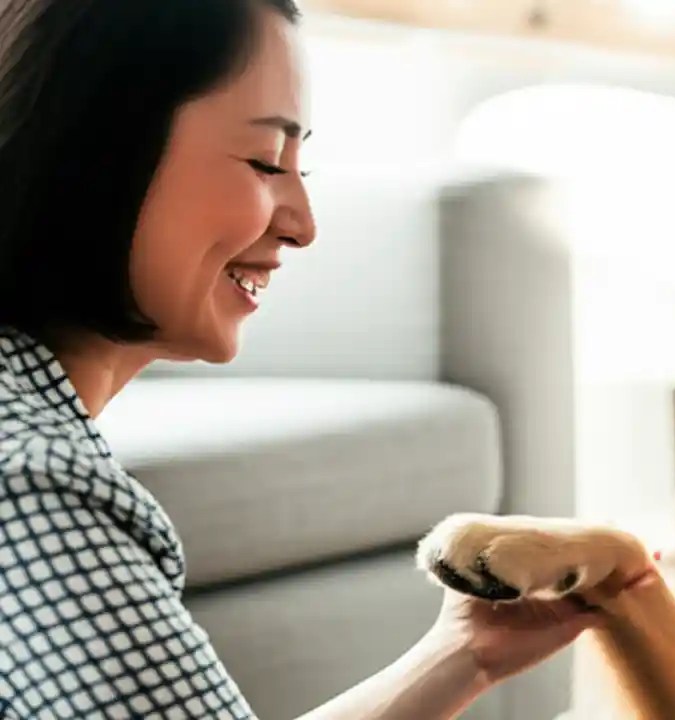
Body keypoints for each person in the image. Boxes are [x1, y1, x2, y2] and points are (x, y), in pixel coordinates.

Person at [0, 1, 621, 717]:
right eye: (267, 161)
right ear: (91, 149)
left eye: (300, 167)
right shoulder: (35, 481)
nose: (303, 224)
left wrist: (462, 655)